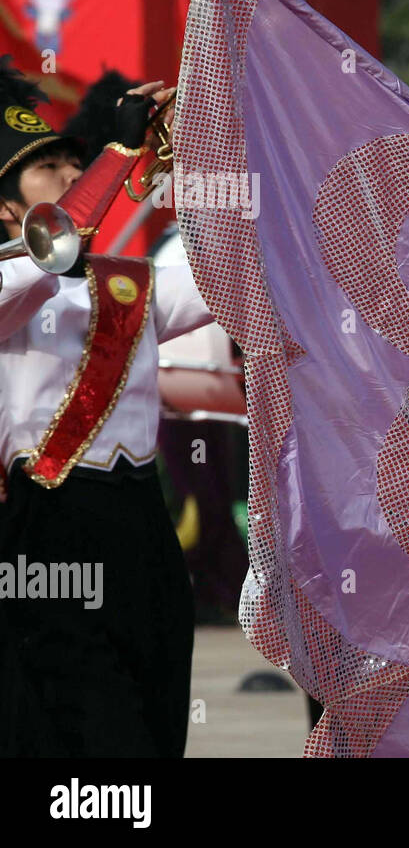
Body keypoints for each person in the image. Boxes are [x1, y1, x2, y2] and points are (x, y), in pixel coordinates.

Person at [0, 58, 213, 756]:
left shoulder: (126, 285)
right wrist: (117, 154)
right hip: (48, 533)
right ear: (6, 209)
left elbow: (232, 272)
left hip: (142, 534)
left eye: (72, 159)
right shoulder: (9, 290)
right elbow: (48, 256)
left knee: (154, 727)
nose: (68, 172)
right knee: (88, 737)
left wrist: (211, 154)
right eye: (48, 168)